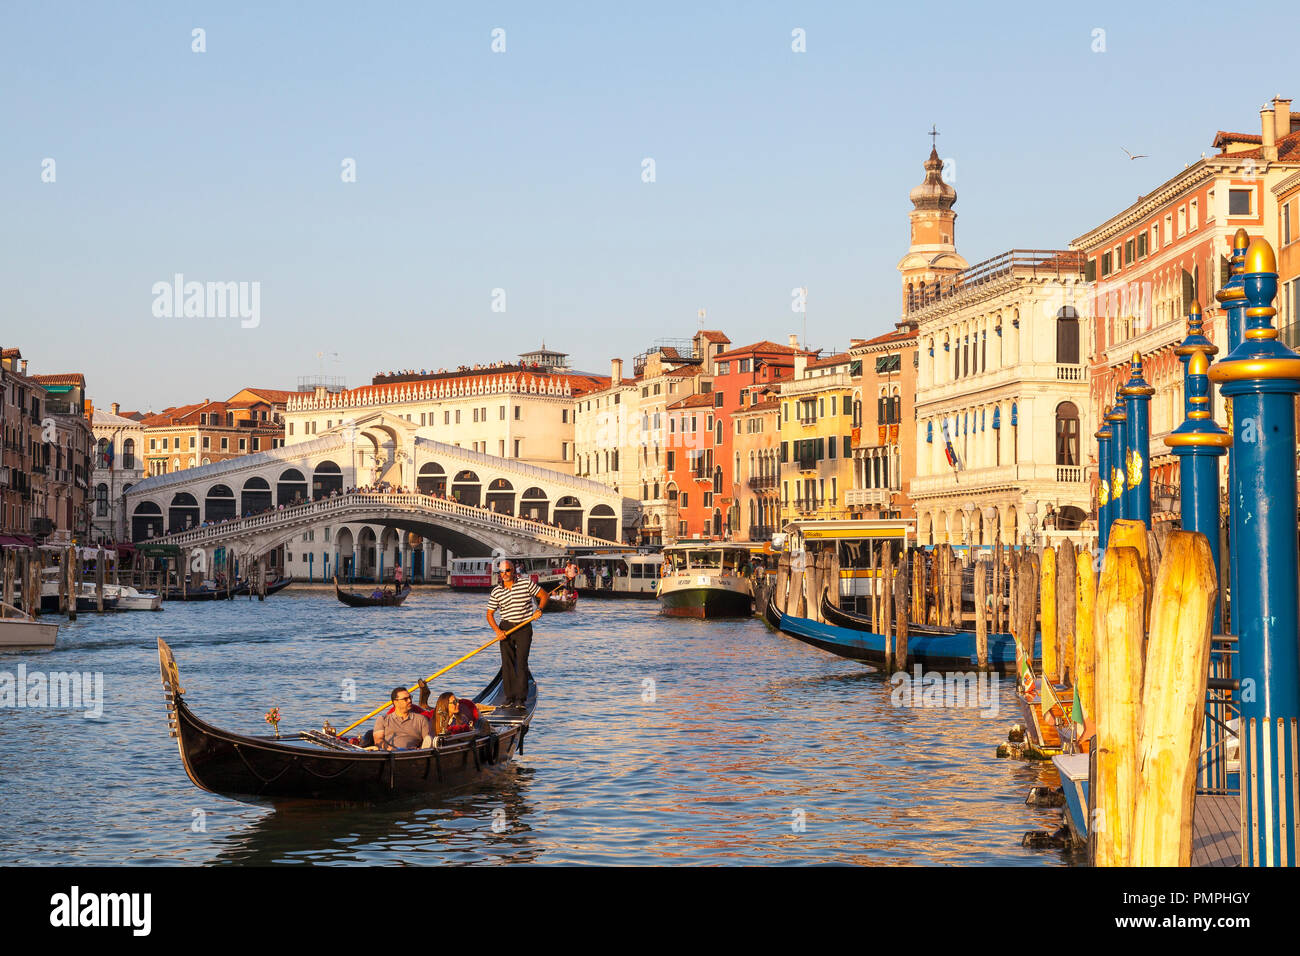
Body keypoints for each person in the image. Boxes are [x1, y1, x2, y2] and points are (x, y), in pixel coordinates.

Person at [486, 559, 547, 711]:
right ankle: (509, 697)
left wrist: (539, 609)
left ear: (513, 571)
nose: (505, 574)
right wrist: (498, 631)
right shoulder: (496, 591)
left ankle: (520, 698)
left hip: (524, 626)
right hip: (505, 627)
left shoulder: (526, 584)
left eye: (507, 570)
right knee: (507, 663)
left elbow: (544, 595)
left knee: (521, 662)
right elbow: (489, 614)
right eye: (502, 572)